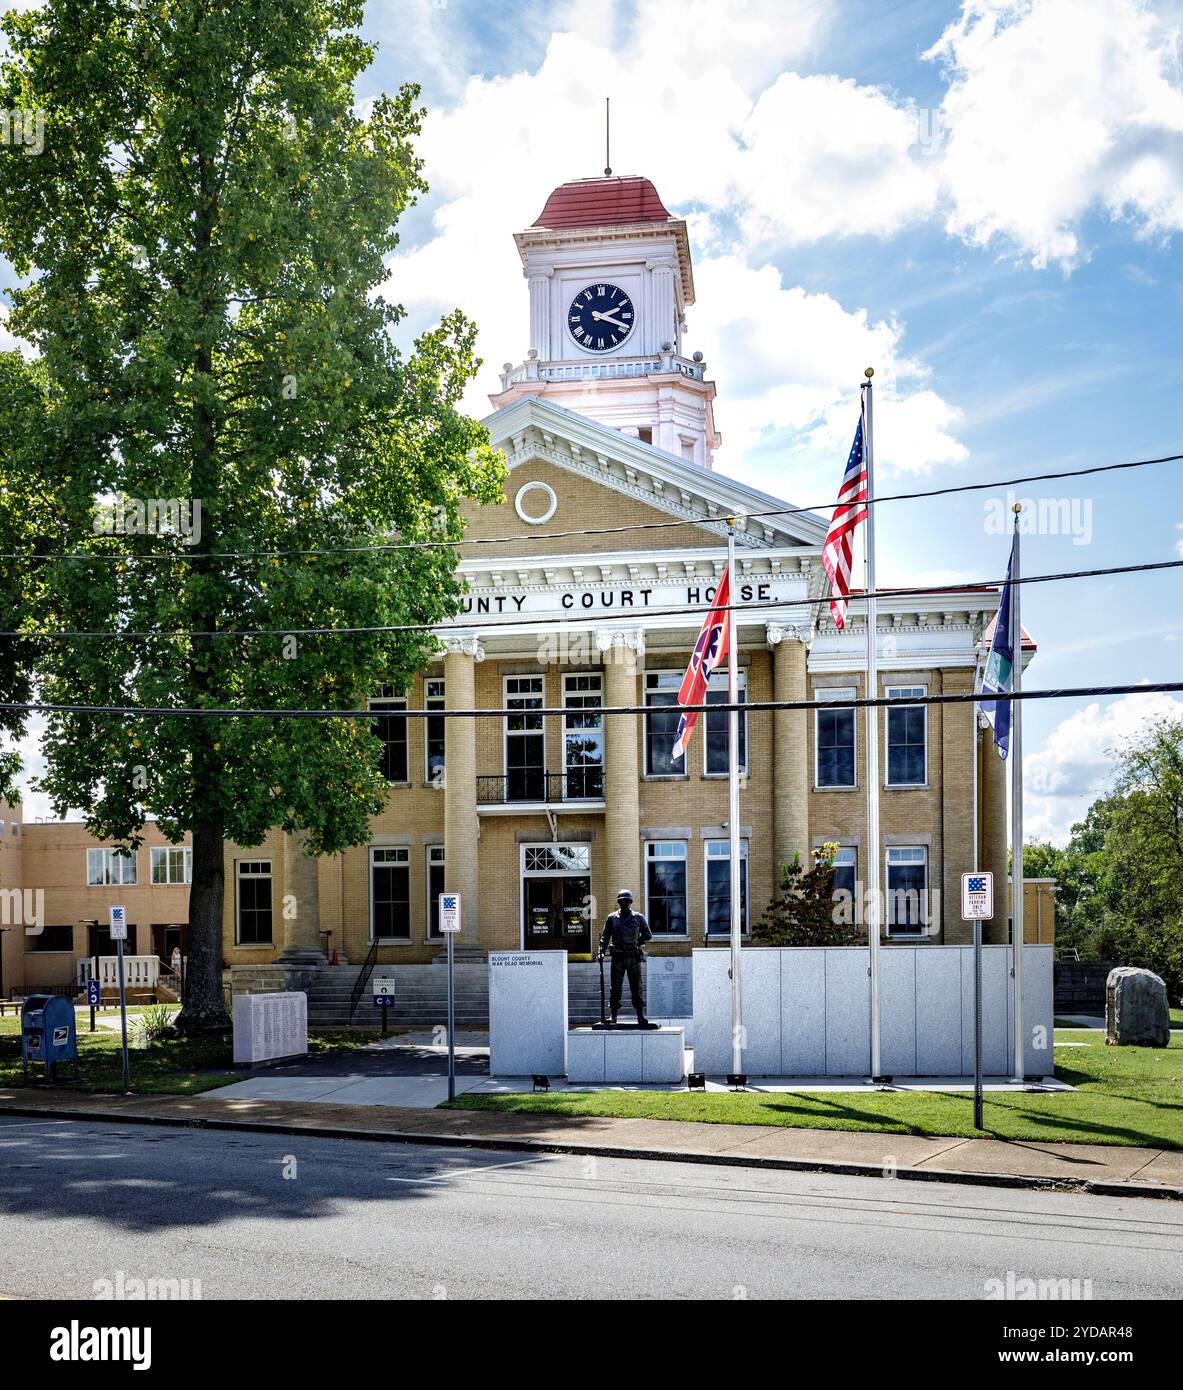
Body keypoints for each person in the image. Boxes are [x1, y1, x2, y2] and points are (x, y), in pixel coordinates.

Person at [599, 889, 652, 1026]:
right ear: (618, 902)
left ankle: (640, 1016)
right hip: (617, 957)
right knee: (615, 987)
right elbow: (605, 936)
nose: (624, 903)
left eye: (626, 901)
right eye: (621, 901)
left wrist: (636, 943)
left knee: (636, 987)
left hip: (633, 957)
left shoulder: (639, 918)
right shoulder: (611, 918)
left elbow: (648, 935)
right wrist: (601, 951)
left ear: (630, 902)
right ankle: (613, 1016)